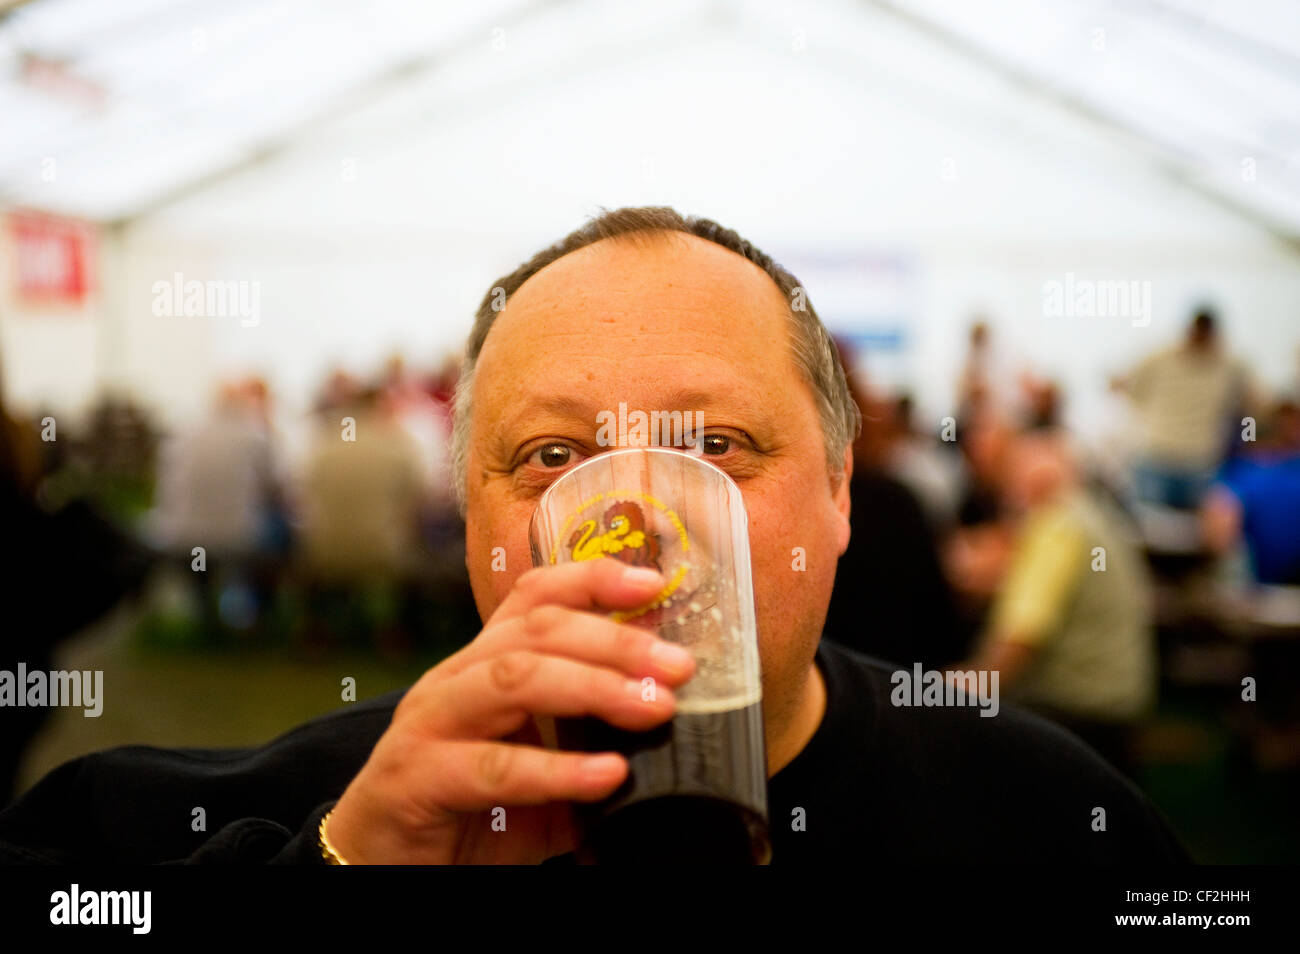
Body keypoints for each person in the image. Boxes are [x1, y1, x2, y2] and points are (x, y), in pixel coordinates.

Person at [0, 208, 1187, 864]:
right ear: (468, 516)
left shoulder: (1048, 825)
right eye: (554, 457)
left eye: (716, 446)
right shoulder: (164, 837)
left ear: (838, 496)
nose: (642, 527)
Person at [947, 429, 1157, 777]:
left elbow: (1015, 649)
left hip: (1071, 716)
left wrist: (930, 691)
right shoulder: (1095, 516)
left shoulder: (1055, 527)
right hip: (1117, 714)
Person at [1114, 308, 1251, 510]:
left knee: (1197, 533)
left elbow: (1250, 403)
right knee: (1150, 527)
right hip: (1157, 458)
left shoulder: (1231, 366)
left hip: (1200, 463)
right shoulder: (1159, 357)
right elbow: (1131, 389)